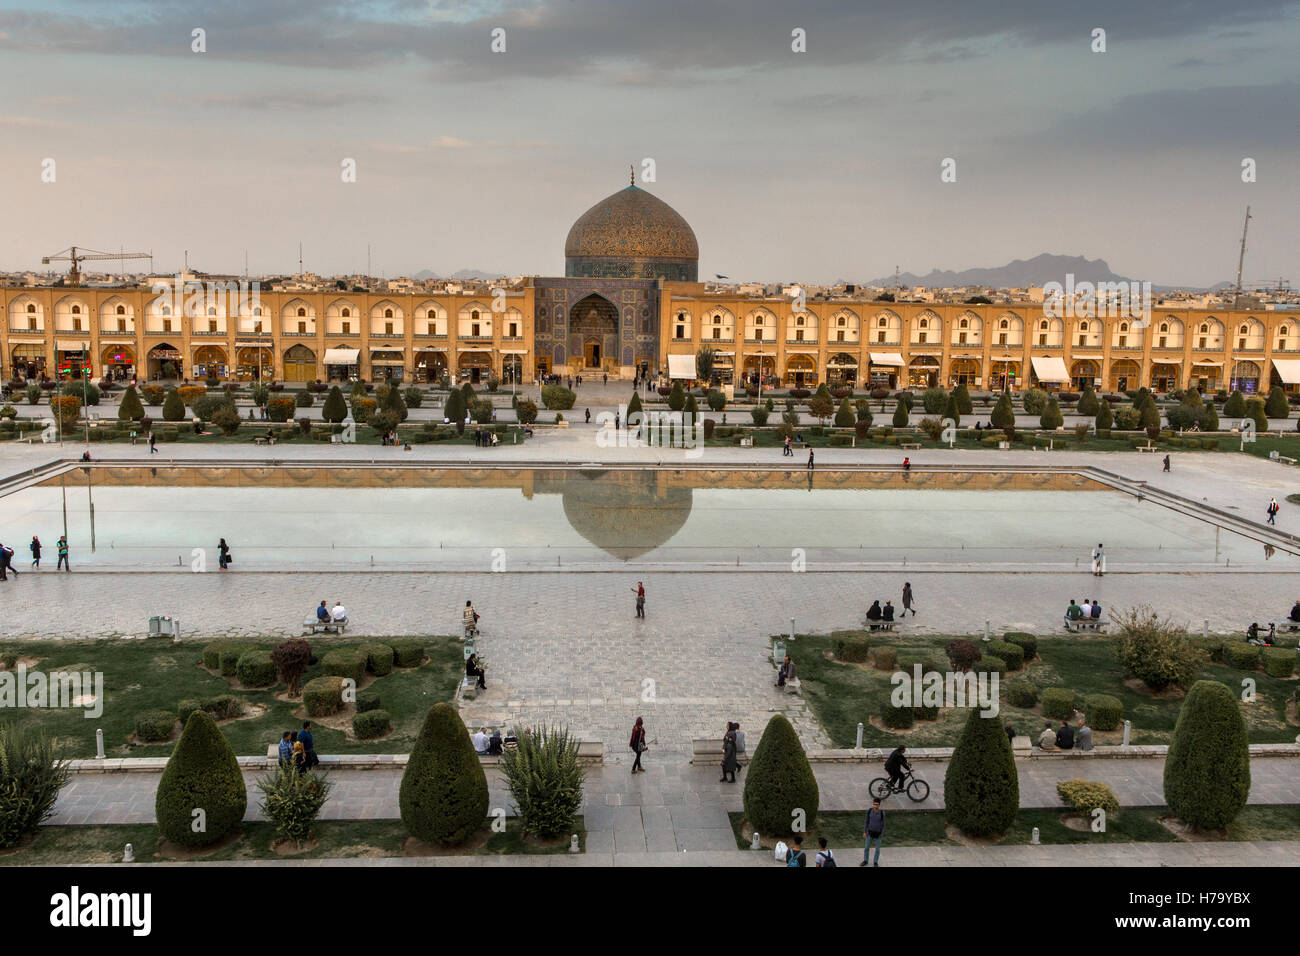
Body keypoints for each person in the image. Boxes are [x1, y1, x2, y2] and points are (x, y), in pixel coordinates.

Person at [861, 798, 885, 867]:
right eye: (874, 804)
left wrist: (882, 834)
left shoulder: (881, 813)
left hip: (878, 834)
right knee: (866, 847)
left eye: (877, 805)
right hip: (869, 833)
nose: (875, 806)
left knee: (877, 849)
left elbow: (883, 824)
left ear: (879, 805)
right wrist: (864, 832)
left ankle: (875, 862)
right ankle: (865, 860)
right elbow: (866, 821)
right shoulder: (870, 811)